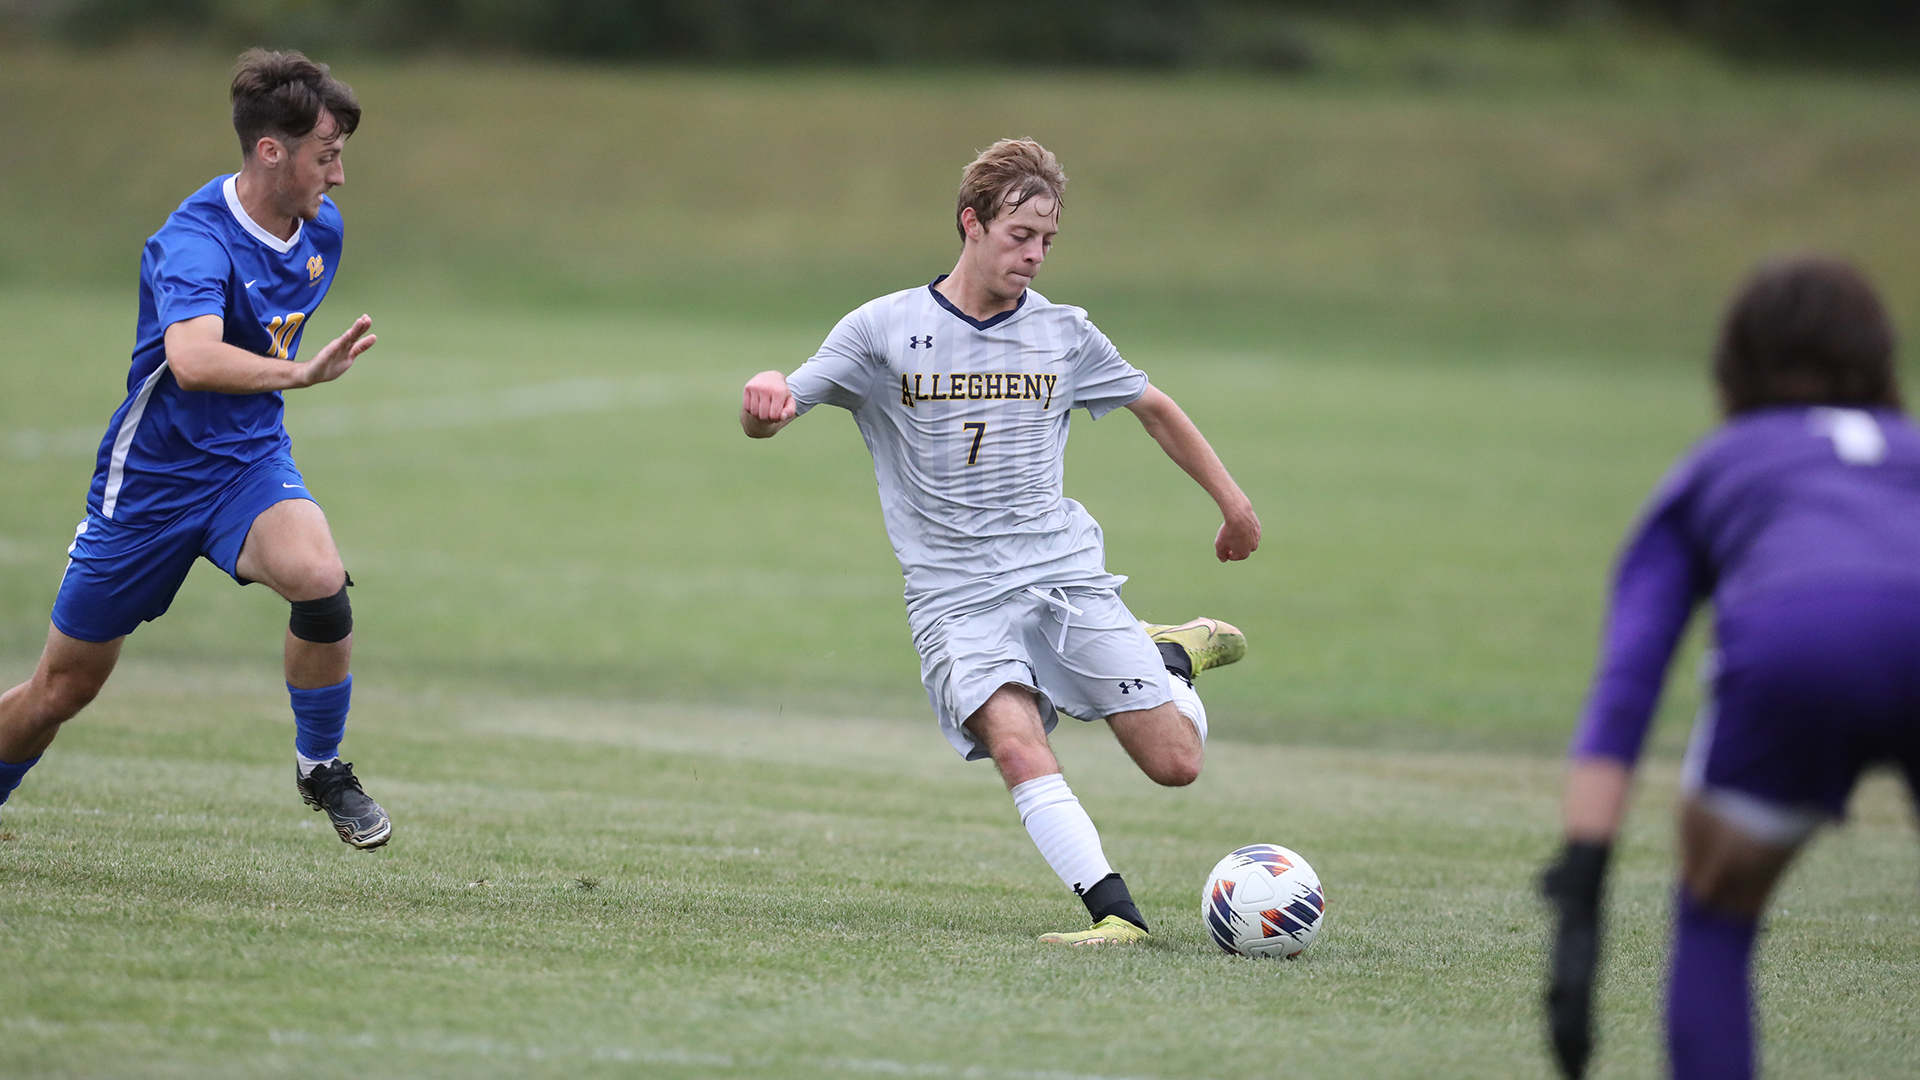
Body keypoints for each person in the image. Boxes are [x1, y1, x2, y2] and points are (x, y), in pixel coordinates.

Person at [740, 138, 1261, 943]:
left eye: (1048, 241)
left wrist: (1234, 505)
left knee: (1174, 765)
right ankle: (1117, 918)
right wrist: (765, 396)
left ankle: (1170, 655)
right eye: (1021, 235)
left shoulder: (1064, 334)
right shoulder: (881, 330)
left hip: (1061, 577)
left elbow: (1153, 405)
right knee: (1015, 744)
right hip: (954, 597)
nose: (1035, 255)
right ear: (971, 223)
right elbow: (773, 413)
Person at [0, 50, 391, 849]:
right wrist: (302, 372)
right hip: (149, 485)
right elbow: (192, 359)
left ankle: (322, 767)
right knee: (63, 689)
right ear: (271, 151)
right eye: (328, 157)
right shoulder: (194, 241)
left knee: (321, 580)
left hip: (248, 464)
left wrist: (288, 385)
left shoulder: (322, 230)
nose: (340, 178)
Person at [1542, 256, 1920, 1079]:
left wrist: (1583, 882)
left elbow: (1629, 685)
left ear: (1733, 367)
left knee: (1717, 911)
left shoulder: (1717, 467)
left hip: (1801, 649)